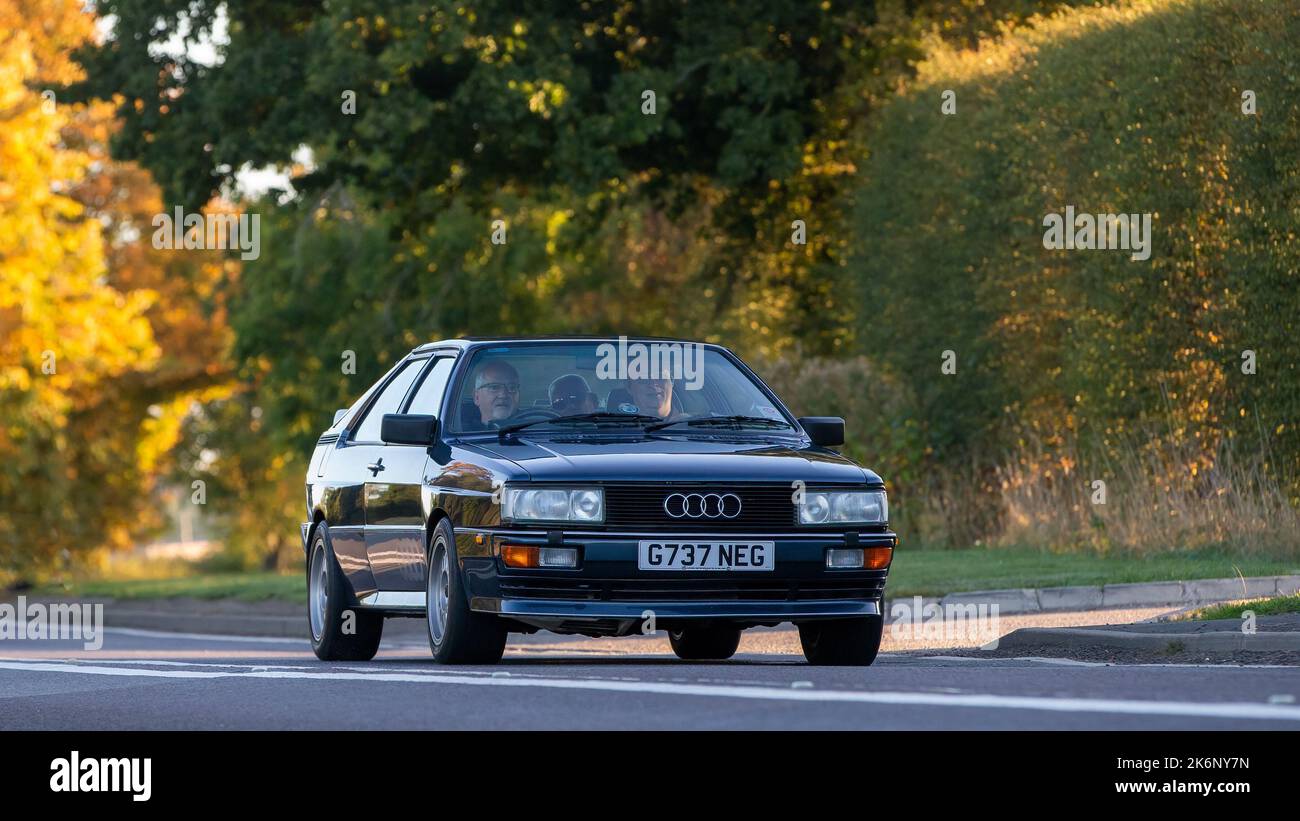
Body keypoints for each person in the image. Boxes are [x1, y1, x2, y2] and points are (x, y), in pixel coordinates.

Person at [472, 361, 520, 426]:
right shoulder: (463, 433)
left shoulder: (533, 430)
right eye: (494, 387)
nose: (503, 395)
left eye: (511, 388)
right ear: (476, 397)